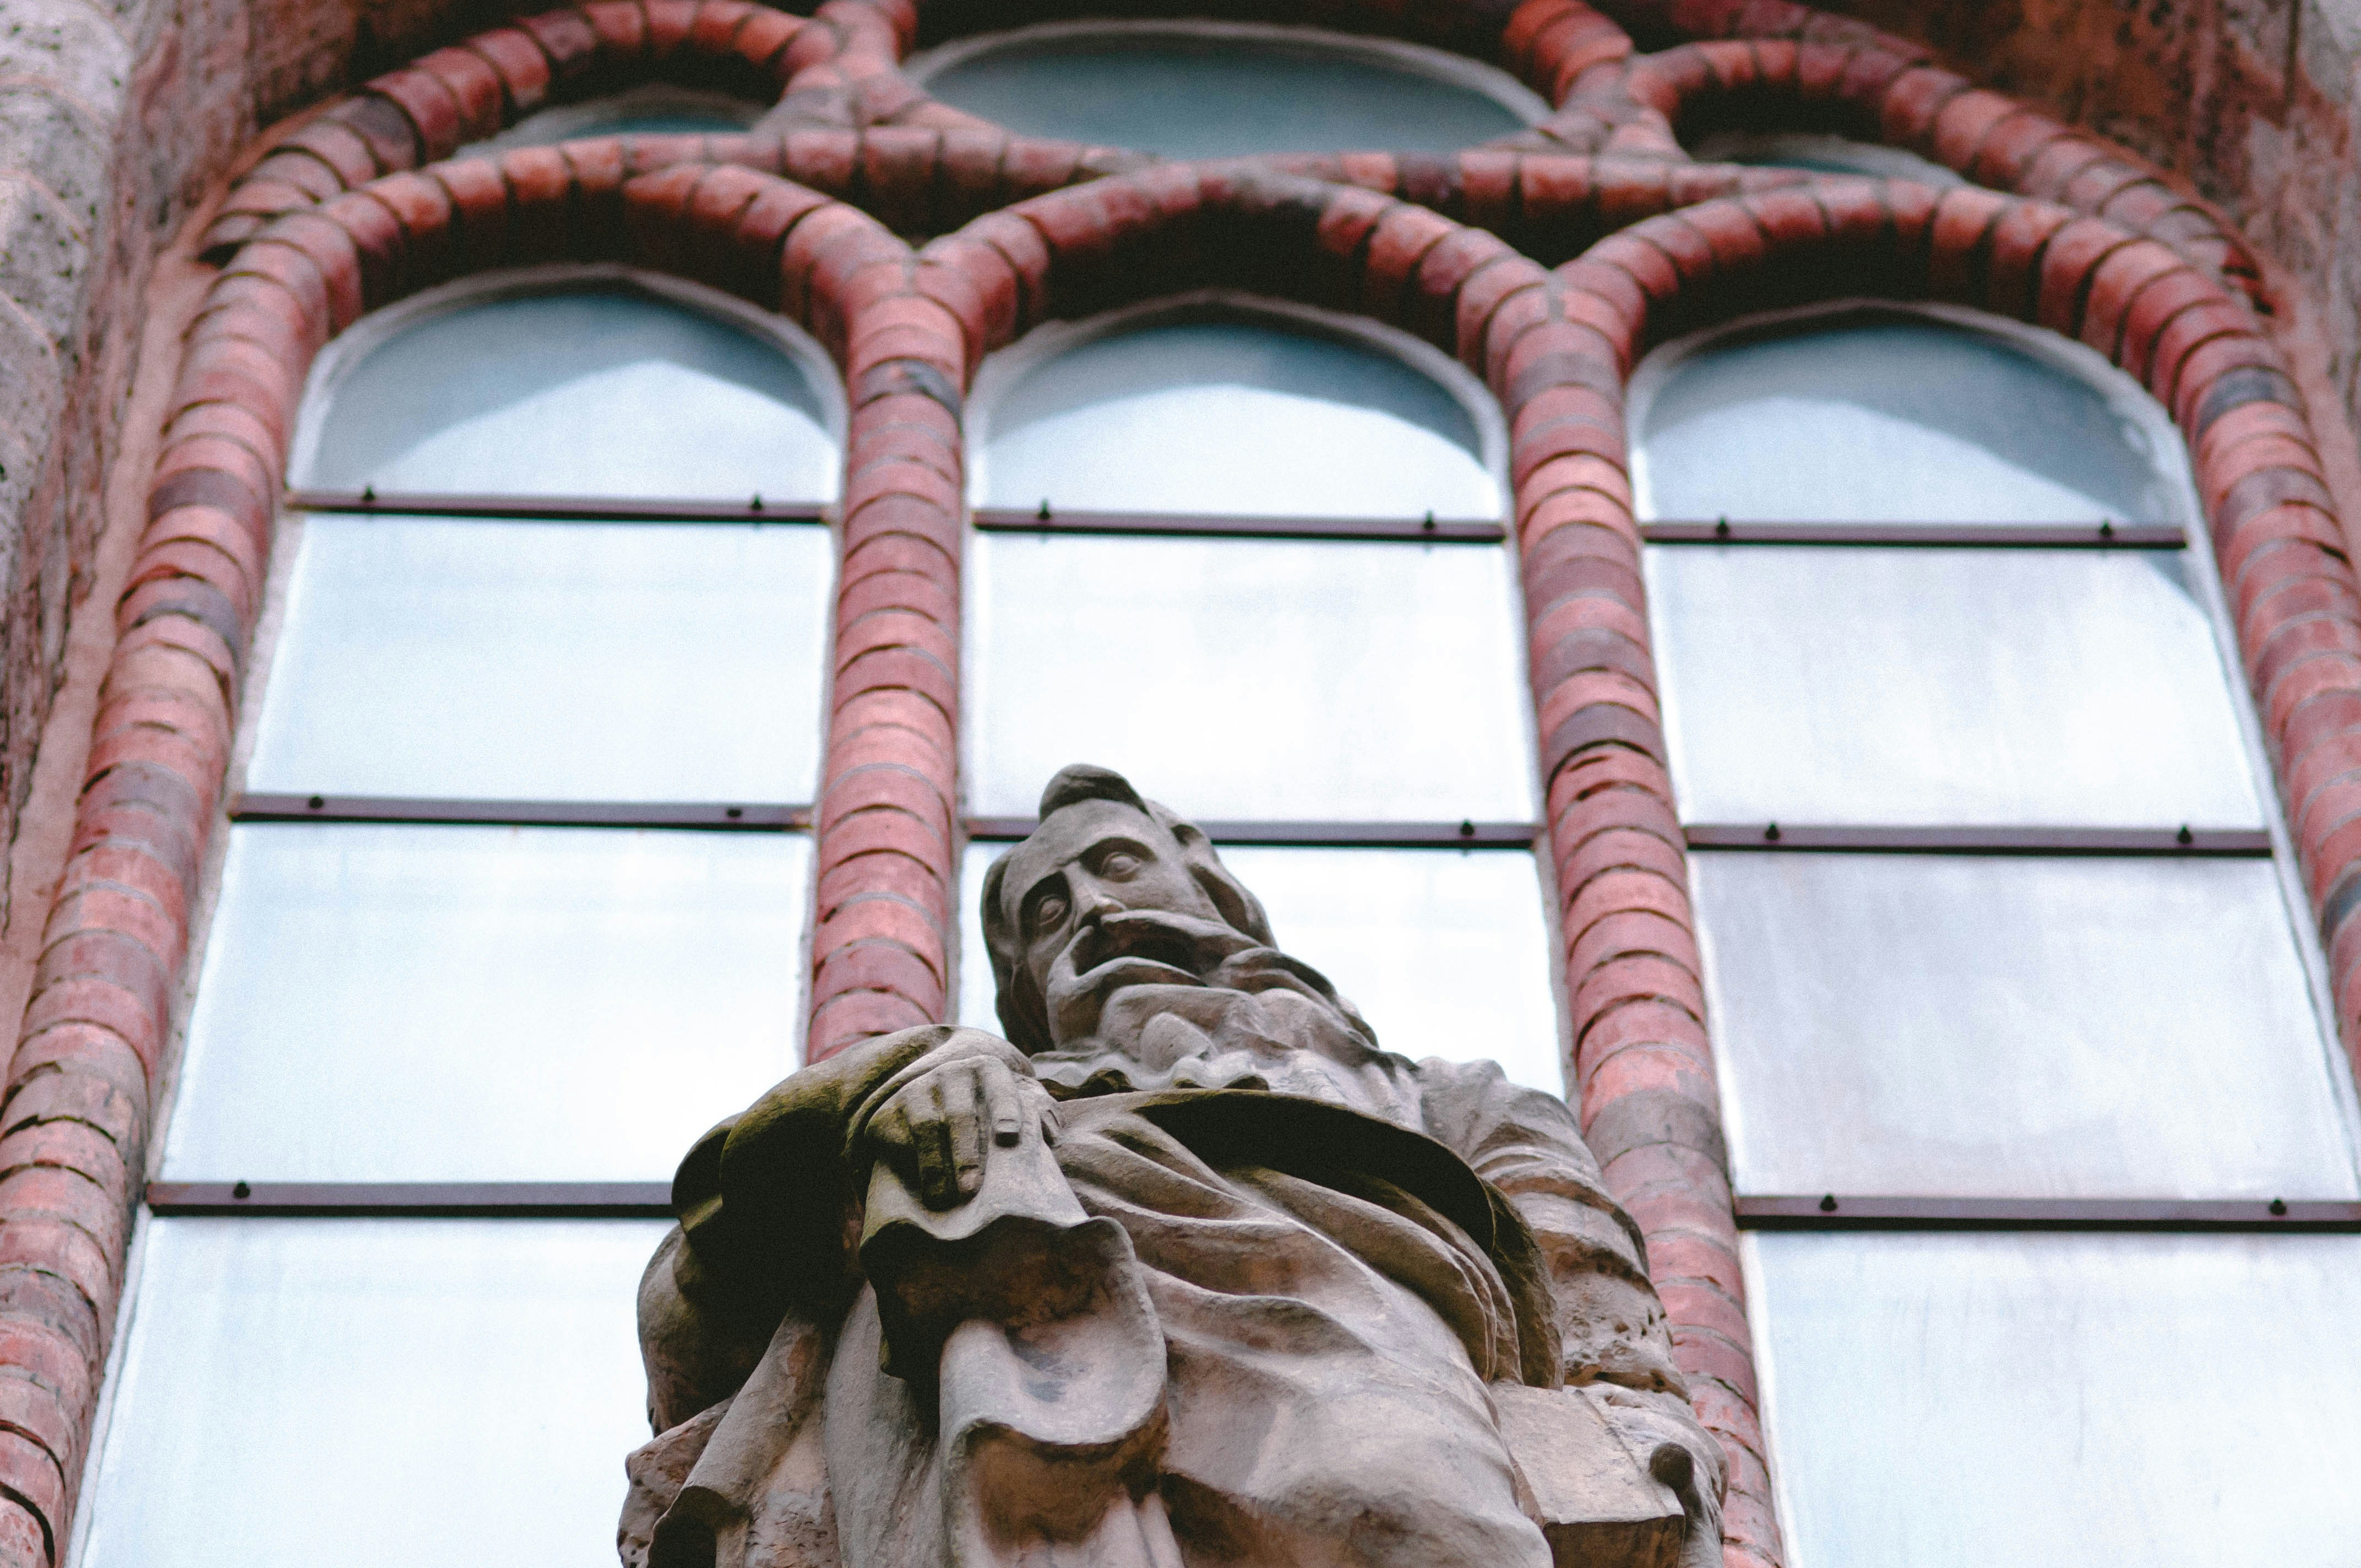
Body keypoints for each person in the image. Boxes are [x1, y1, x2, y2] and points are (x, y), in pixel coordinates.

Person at [622, 765, 1724, 1568]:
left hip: (1380, 1396)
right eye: (1047, 910)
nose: (1094, 911)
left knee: (1418, 1522)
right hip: (978, 1419)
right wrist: (869, 1098)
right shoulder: (961, 1100)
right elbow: (691, 1330)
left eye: (1116, 865)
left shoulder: (1446, 1097)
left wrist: (1643, 1448)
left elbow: (1601, 1312)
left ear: (1208, 883)